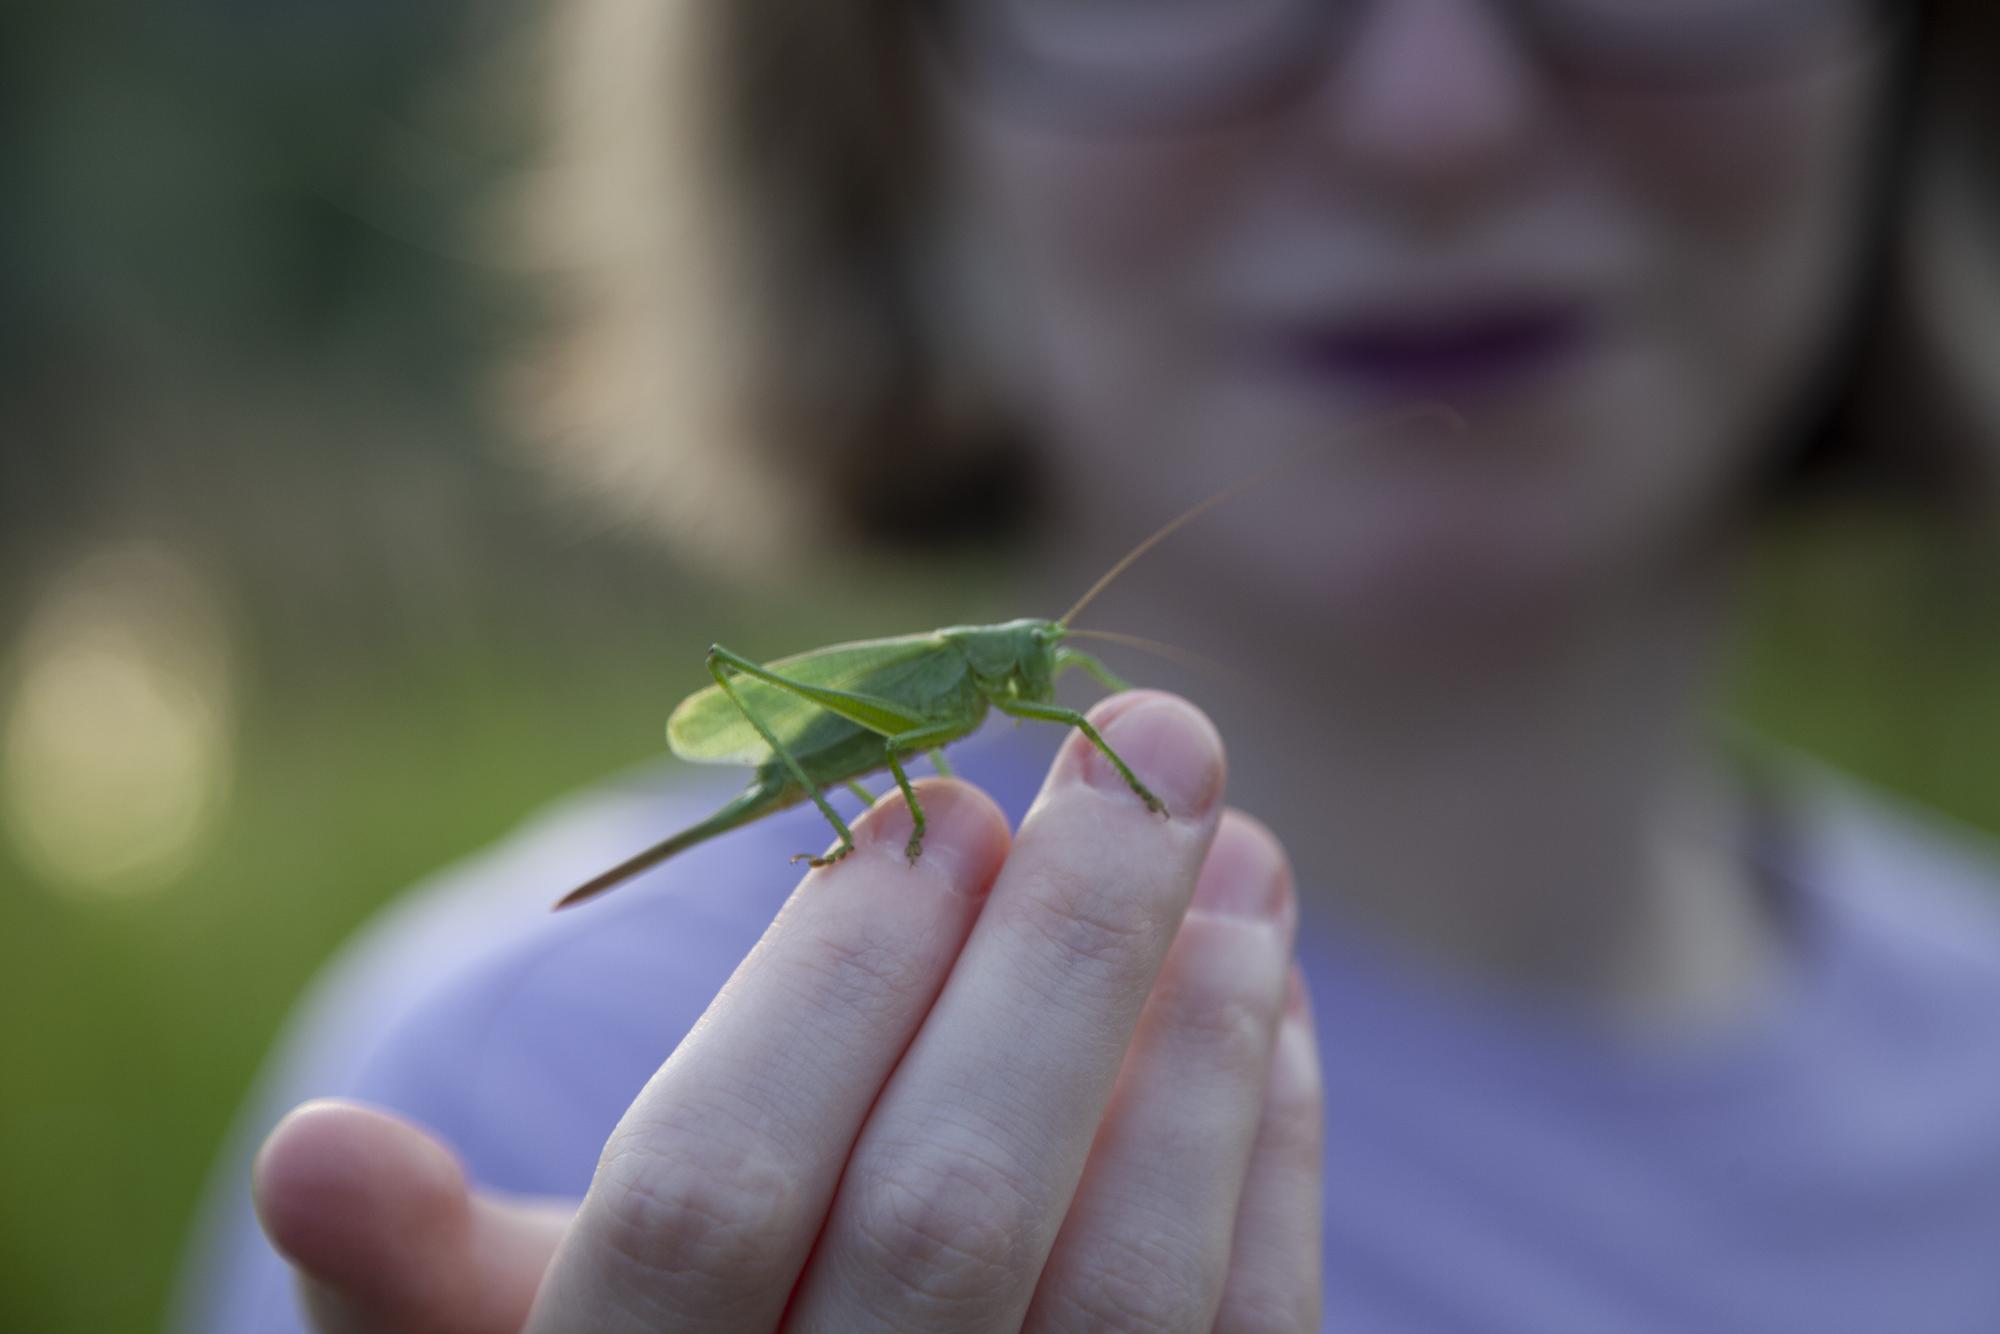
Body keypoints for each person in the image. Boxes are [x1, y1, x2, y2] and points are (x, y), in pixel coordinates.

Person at [177, 0, 2000, 1329]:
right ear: (885, 110)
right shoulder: (558, 1090)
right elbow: (931, 734)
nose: (1434, 111)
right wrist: (888, 798)